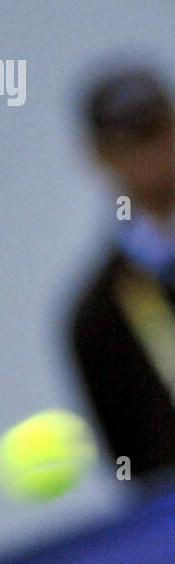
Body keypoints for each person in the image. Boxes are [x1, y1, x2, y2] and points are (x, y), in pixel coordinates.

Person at [68, 66, 175, 483]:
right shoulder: (97, 318)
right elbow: (135, 474)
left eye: (159, 130)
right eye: (133, 140)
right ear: (99, 156)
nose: (154, 153)